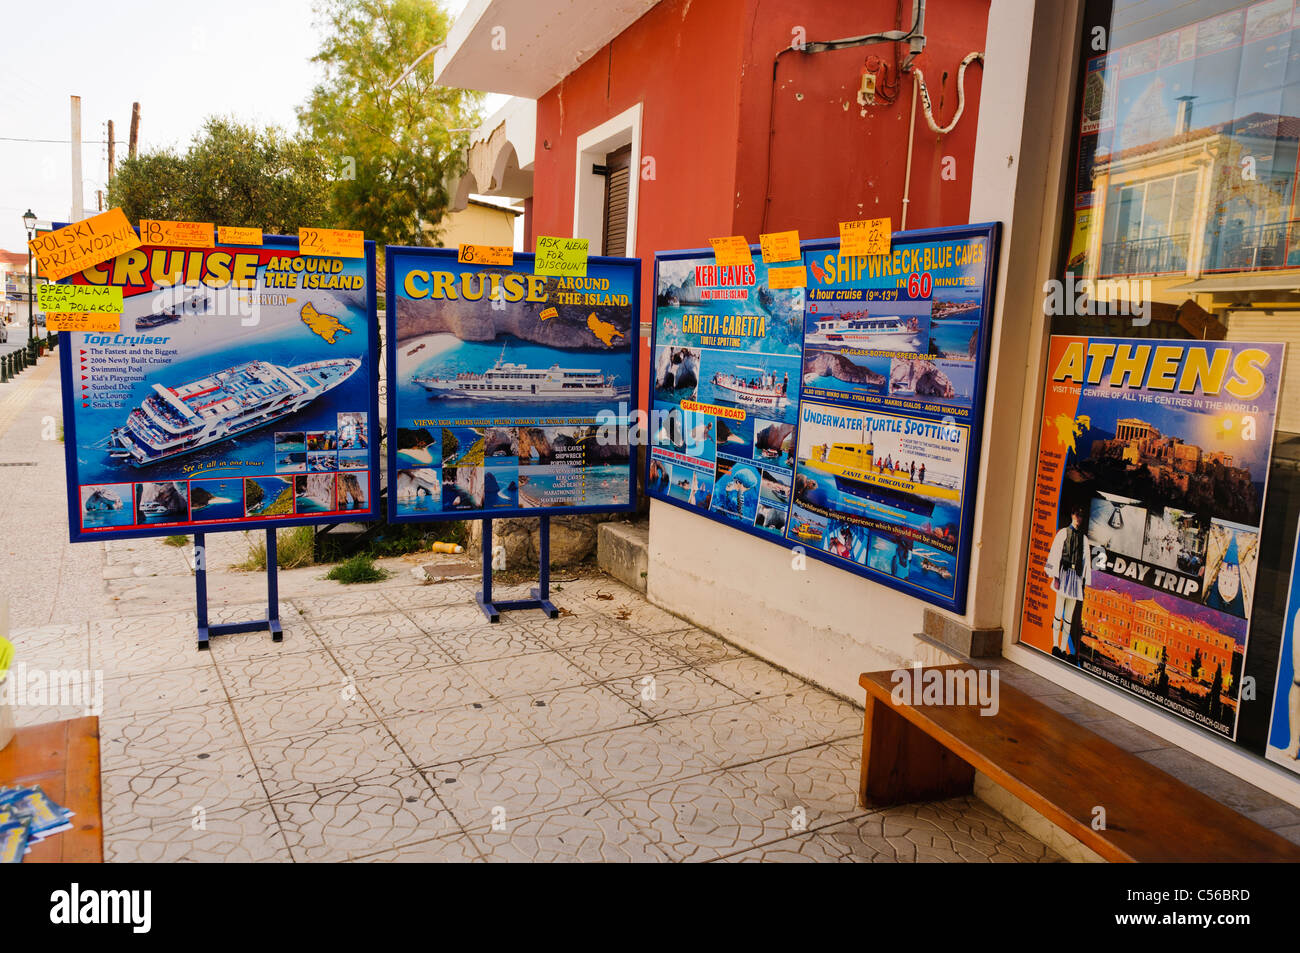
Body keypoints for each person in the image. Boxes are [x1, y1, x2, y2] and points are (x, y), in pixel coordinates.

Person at [1044, 504, 1092, 660]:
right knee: (1058, 613)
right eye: (1077, 515)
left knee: (1068, 617)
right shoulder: (1063, 533)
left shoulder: (1084, 539)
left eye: (1081, 516)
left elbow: (1086, 561)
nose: (1079, 519)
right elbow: (1055, 553)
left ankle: (1064, 648)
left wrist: (1083, 582)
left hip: (1075, 578)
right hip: (1063, 574)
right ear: (1072, 515)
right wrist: (1055, 577)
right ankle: (1055, 645)